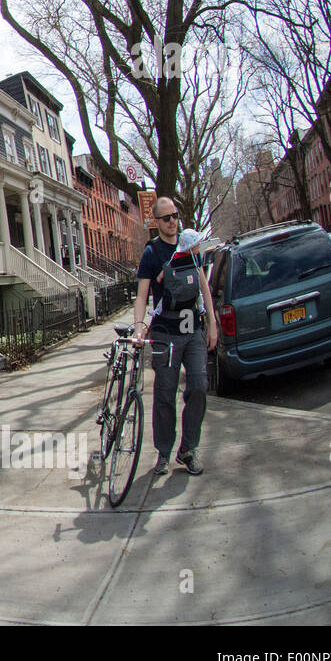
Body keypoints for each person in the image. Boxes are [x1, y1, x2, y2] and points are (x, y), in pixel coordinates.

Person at [132, 197, 218, 477]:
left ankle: (188, 449)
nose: (172, 222)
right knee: (165, 395)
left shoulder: (191, 246)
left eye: (175, 216)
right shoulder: (152, 253)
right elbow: (142, 295)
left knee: (199, 386)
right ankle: (164, 452)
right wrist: (138, 325)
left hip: (193, 330)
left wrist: (212, 323)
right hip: (165, 334)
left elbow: (203, 285)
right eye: (166, 218)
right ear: (156, 222)